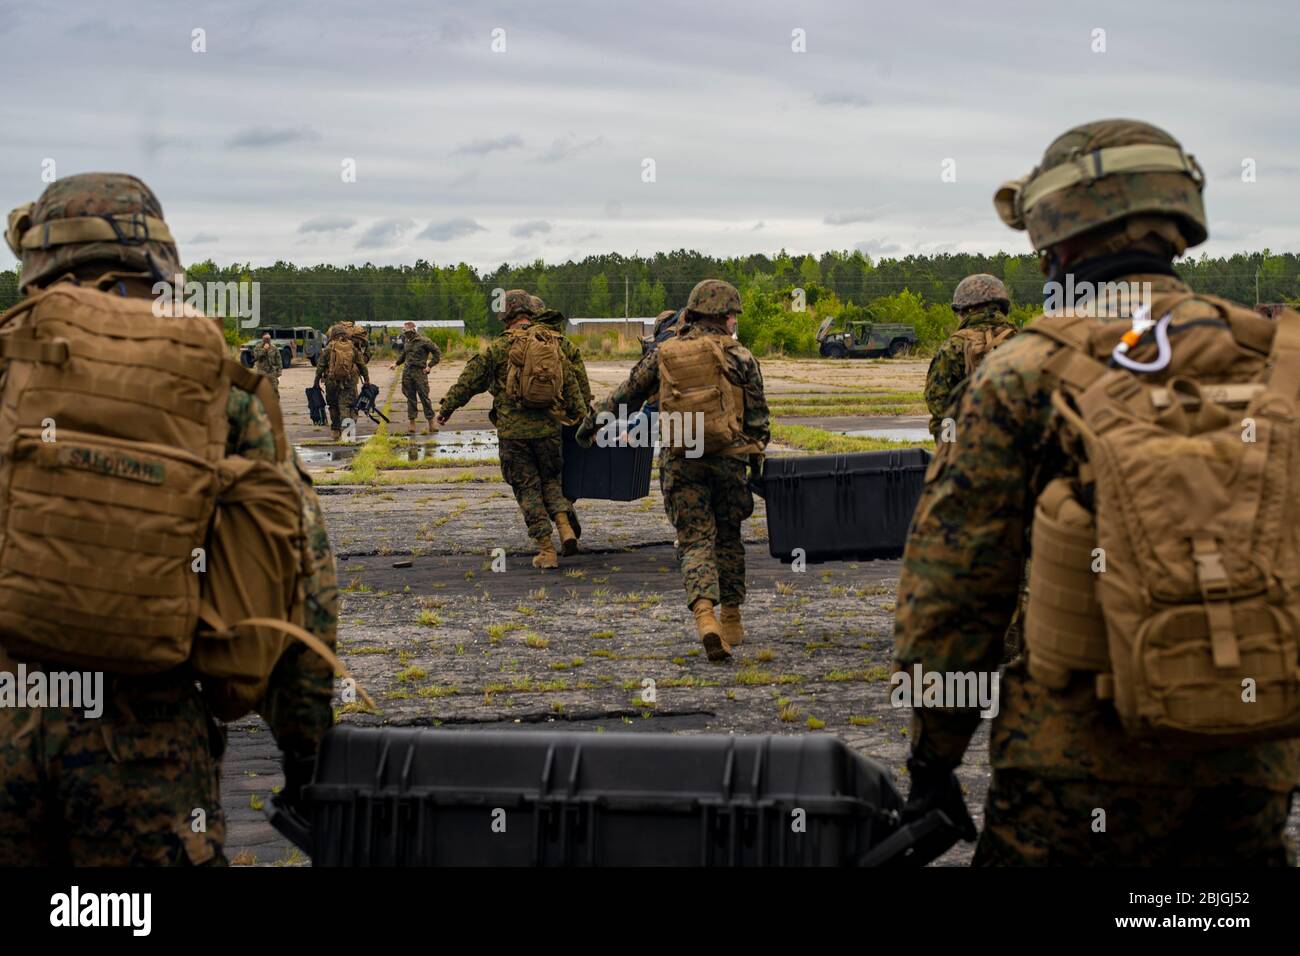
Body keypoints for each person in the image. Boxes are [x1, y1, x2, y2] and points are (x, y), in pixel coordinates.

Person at [893, 119, 1300, 866]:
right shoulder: (1277, 360)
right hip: (1254, 760)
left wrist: (934, 759)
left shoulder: (1024, 370)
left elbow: (954, 590)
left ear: (1060, 234)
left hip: (1073, 768)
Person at [0, 173, 338, 865]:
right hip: (148, 753)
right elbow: (301, 586)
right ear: (157, 265)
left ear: (37, 263)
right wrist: (308, 763)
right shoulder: (213, 382)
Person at [577, 279, 769, 661]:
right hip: (728, 459)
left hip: (682, 460)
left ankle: (705, 618)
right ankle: (732, 618)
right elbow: (760, 420)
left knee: (695, 539)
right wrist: (755, 461)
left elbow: (626, 393)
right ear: (726, 316)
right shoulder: (742, 357)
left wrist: (591, 422)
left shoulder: (665, 352)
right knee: (728, 538)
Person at [436, 290, 586, 568]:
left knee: (528, 488)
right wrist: (581, 417)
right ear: (530, 310)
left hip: (513, 434)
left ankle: (546, 550)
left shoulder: (498, 348)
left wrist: (446, 408)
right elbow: (573, 383)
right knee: (551, 481)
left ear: (505, 315)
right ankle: (565, 527)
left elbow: (468, 382)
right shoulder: (551, 341)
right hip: (549, 431)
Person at [924, 274, 1016, 440]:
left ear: (964, 310)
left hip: (970, 452)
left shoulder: (953, 347)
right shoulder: (1025, 341)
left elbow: (940, 409)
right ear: (1002, 307)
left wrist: (949, 453)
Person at [313, 324, 369, 440]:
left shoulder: (329, 348)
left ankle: (335, 431)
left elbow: (320, 367)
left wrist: (316, 382)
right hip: (349, 381)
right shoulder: (352, 347)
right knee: (347, 406)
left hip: (331, 381)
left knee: (333, 406)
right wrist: (367, 380)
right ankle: (348, 433)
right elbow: (362, 365)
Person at [390, 321, 441, 433]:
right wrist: (396, 364)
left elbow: (437, 353)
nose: (406, 334)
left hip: (420, 373)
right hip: (407, 373)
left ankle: (431, 423)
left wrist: (429, 366)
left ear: (413, 330)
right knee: (411, 399)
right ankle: (412, 423)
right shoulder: (407, 342)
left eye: (407, 331)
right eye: (404, 332)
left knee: (424, 398)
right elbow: (404, 355)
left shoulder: (424, 341)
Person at [253, 331, 284, 395]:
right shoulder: (258, 347)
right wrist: (264, 350)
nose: (267, 340)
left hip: (272, 372)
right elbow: (256, 357)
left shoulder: (274, 348)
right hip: (261, 372)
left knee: (275, 390)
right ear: (263, 339)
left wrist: (279, 371)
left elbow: (279, 360)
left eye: (268, 339)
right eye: (265, 339)